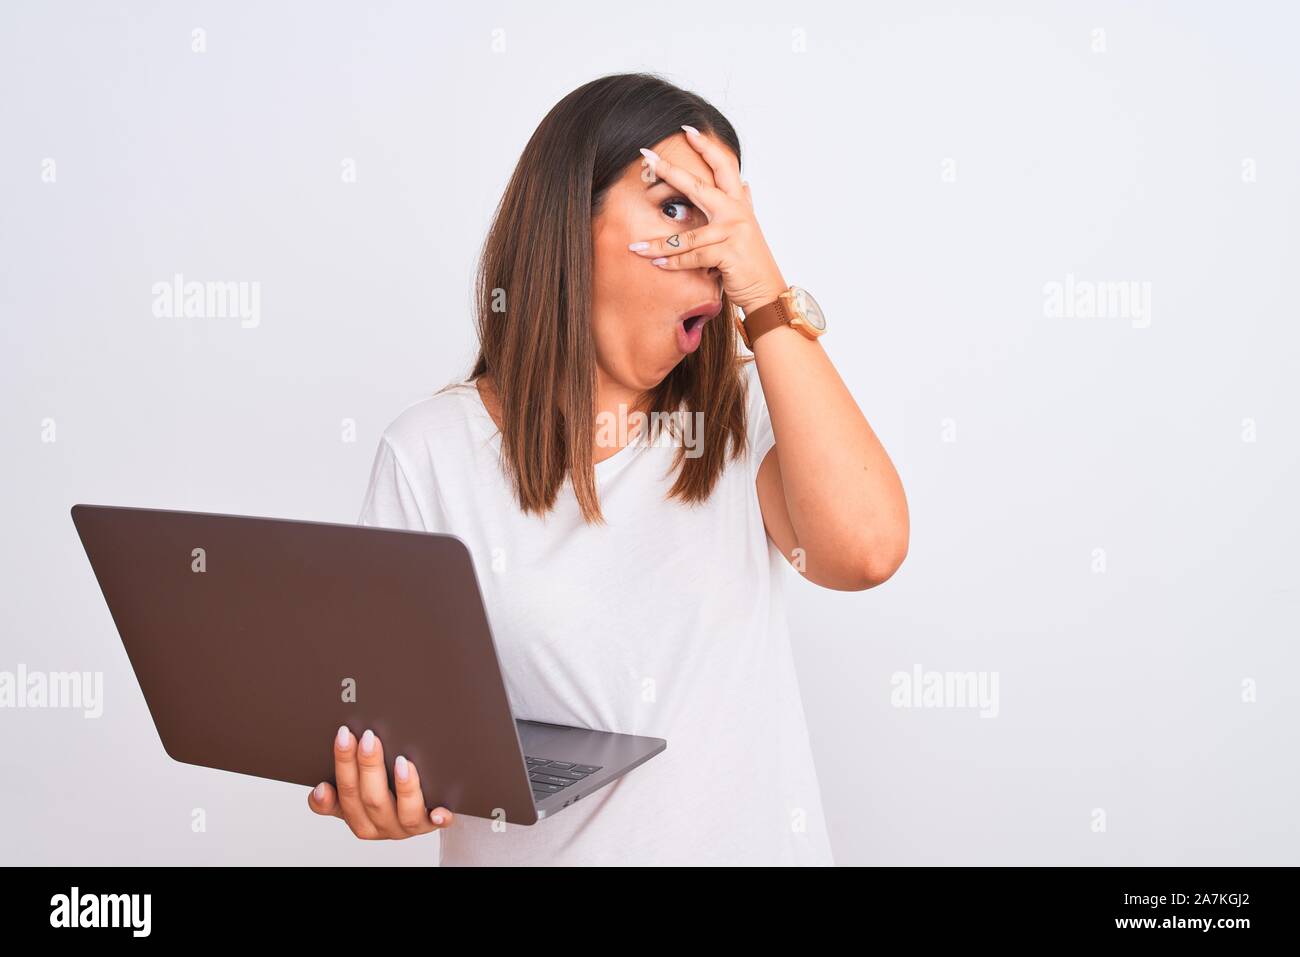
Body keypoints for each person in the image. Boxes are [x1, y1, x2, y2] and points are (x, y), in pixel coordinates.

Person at [307, 72, 909, 865]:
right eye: (673, 209)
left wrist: (766, 299)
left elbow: (864, 551)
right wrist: (381, 790)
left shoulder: (744, 410)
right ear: (567, 221)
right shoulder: (430, 453)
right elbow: (378, 726)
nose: (714, 254)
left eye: (728, 221)